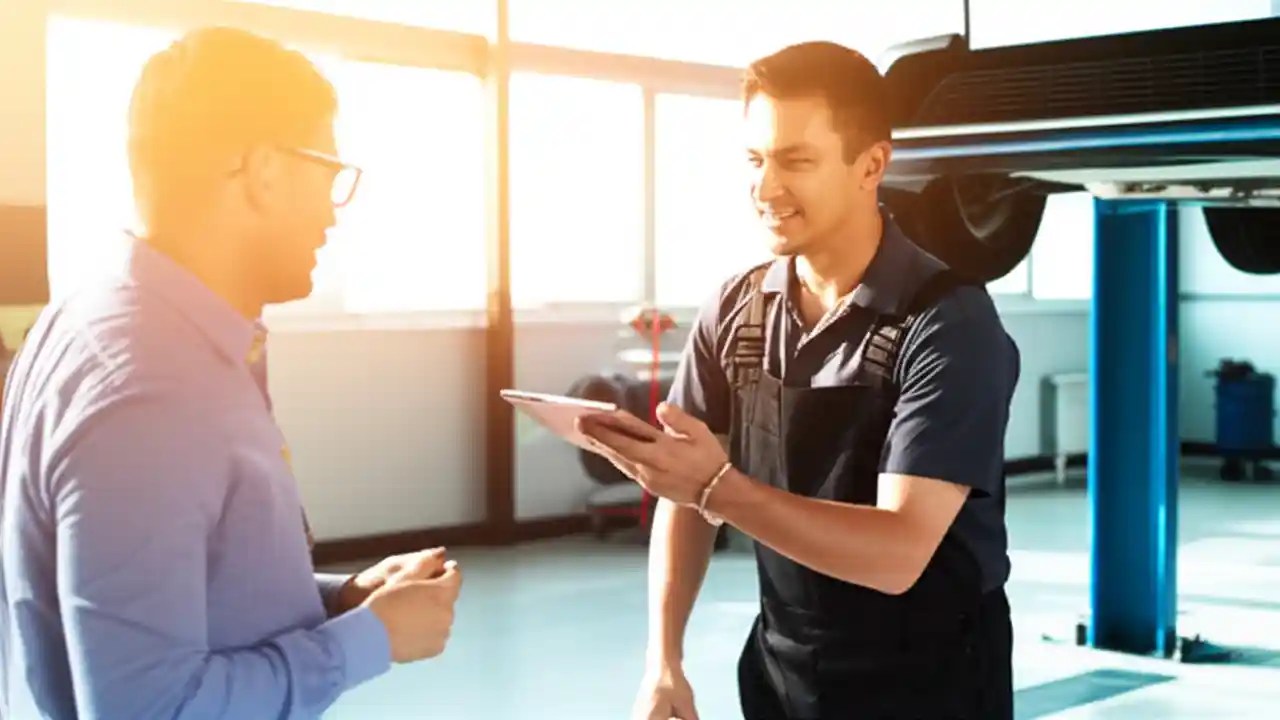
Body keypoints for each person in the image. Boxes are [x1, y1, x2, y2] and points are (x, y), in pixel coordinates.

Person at [0, 27, 461, 719]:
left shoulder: (112, 320)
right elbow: (146, 709)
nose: (332, 214)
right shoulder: (148, 388)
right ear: (263, 168)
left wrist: (341, 599)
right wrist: (369, 640)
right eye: (327, 172)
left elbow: (176, 590)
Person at [581, 41, 1019, 719]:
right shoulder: (735, 310)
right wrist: (664, 661)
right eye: (755, 160)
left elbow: (898, 552)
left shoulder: (948, 323)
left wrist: (716, 487)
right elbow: (682, 498)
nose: (765, 188)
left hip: (930, 686)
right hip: (784, 675)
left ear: (872, 164)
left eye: (796, 160)